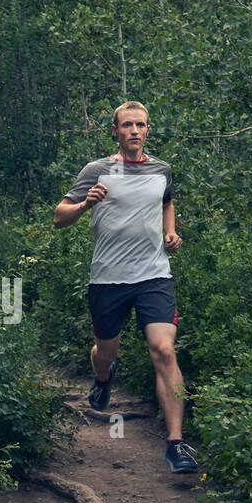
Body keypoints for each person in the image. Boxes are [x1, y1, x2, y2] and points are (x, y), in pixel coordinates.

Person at [52, 101, 198, 474]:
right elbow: (58, 217)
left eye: (141, 125)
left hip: (154, 275)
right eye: (127, 125)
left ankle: (176, 444)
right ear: (115, 130)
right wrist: (86, 203)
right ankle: (103, 377)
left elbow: (166, 202)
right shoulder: (96, 170)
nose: (134, 130)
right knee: (105, 352)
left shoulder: (162, 170)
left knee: (164, 351)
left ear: (149, 130)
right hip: (108, 279)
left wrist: (171, 230)